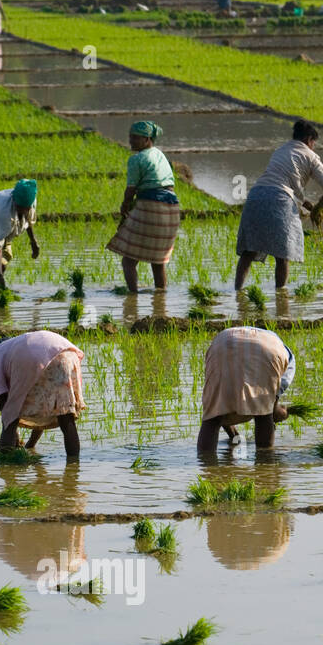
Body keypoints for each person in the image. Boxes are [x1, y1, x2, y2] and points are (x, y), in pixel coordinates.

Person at [235, 118, 323, 292]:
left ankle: (237, 292)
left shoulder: (280, 150)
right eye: (314, 143)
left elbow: (282, 179)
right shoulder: (311, 157)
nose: (314, 147)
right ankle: (281, 298)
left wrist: (304, 202)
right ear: (309, 140)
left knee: (248, 252)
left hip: (256, 196)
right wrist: (320, 206)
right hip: (280, 200)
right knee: (283, 255)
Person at [0, 331, 84, 457]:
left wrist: (12, 432)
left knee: (9, 423)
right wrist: (30, 445)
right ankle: (73, 469)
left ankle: (6, 468)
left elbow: (6, 409)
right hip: (67, 354)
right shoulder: (15, 346)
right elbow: (41, 410)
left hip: (31, 357)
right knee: (66, 418)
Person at [106, 120, 180, 293]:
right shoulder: (159, 154)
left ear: (147, 139)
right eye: (130, 137)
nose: (131, 141)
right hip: (172, 208)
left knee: (128, 261)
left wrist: (125, 207)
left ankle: (133, 297)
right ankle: (160, 300)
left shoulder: (136, 159)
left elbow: (131, 189)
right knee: (158, 260)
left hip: (152, 206)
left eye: (135, 138)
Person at [197, 325, 296, 453]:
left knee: (212, 417)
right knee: (263, 414)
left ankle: (206, 465)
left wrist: (234, 437)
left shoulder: (263, 338)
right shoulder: (288, 357)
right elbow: (272, 405)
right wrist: (276, 412)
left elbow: (220, 406)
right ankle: (265, 463)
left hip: (223, 342)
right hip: (268, 349)